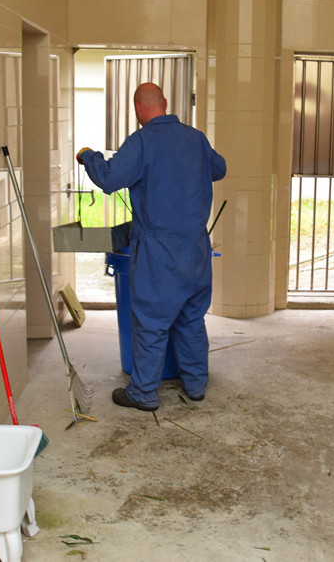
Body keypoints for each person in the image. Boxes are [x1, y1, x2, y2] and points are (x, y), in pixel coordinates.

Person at [76, 82, 226, 412]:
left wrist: (89, 157)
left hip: (161, 253)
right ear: (166, 103)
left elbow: (110, 179)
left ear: (139, 109)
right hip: (197, 250)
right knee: (191, 318)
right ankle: (196, 384)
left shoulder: (142, 141)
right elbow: (220, 168)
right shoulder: (196, 138)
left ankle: (144, 393)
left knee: (151, 323)